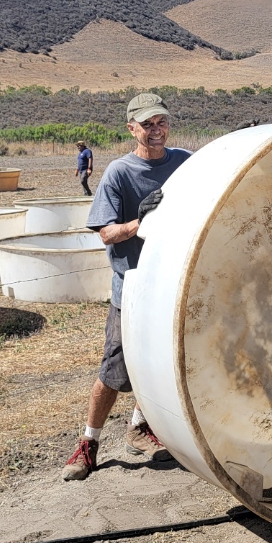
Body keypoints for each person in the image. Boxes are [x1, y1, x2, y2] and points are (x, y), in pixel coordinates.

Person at [63, 93, 192, 481]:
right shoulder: (119, 173)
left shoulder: (184, 162)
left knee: (160, 363)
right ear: (131, 128)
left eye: (161, 123)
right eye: (147, 124)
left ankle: (140, 425)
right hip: (133, 290)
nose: (156, 131)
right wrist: (140, 221)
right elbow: (106, 233)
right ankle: (88, 443)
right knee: (113, 370)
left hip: (175, 284)